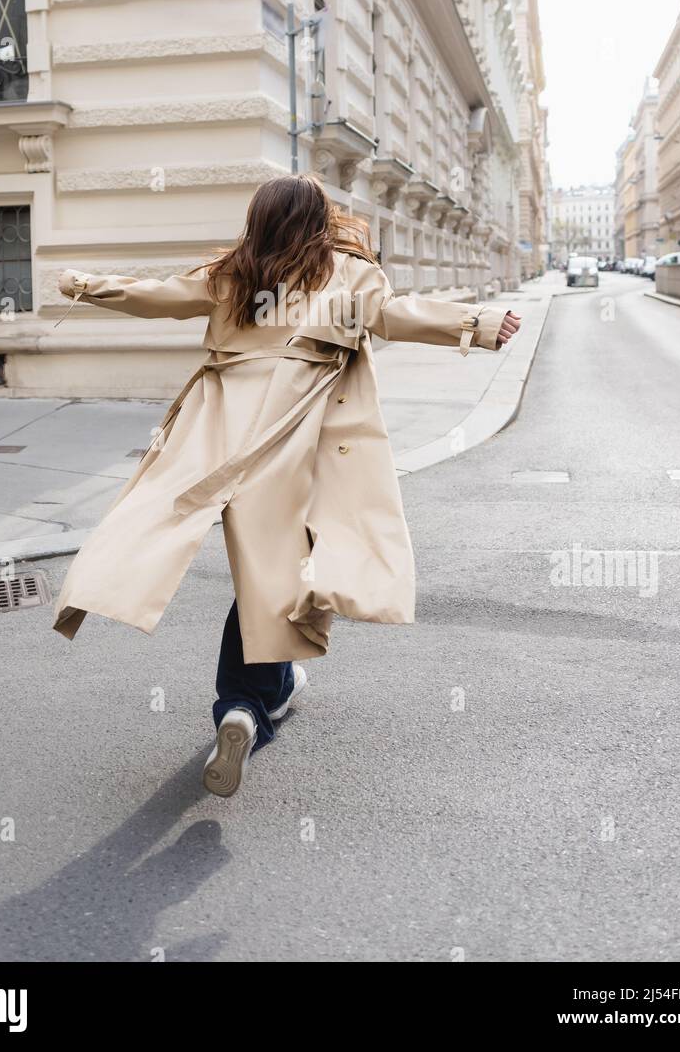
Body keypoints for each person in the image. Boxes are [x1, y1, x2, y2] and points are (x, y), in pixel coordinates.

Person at [52, 175, 520, 796]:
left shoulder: (235, 276)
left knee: (169, 535)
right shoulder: (349, 275)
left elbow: (159, 295)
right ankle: (246, 704)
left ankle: (247, 698)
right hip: (299, 441)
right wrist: (480, 323)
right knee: (285, 575)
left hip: (217, 438)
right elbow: (395, 316)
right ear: (320, 221)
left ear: (259, 219)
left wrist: (87, 286)